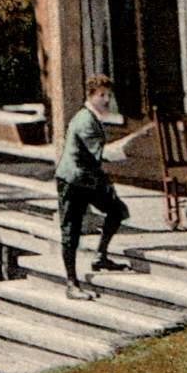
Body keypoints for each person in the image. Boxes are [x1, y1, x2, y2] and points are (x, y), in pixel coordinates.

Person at [55, 74, 131, 300]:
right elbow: (103, 153)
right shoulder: (84, 120)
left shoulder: (94, 117)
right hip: (72, 181)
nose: (106, 100)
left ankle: (100, 257)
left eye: (109, 95)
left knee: (117, 211)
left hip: (89, 179)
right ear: (90, 96)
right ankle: (71, 284)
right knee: (71, 231)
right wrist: (127, 146)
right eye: (102, 95)